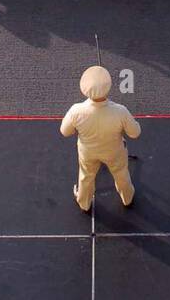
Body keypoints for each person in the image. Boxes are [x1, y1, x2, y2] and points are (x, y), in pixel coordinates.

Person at [60, 65, 140, 211]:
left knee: (86, 176)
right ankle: (127, 198)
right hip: (114, 151)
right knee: (121, 173)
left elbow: (65, 131)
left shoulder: (76, 110)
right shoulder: (120, 111)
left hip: (88, 152)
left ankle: (84, 203)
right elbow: (135, 133)